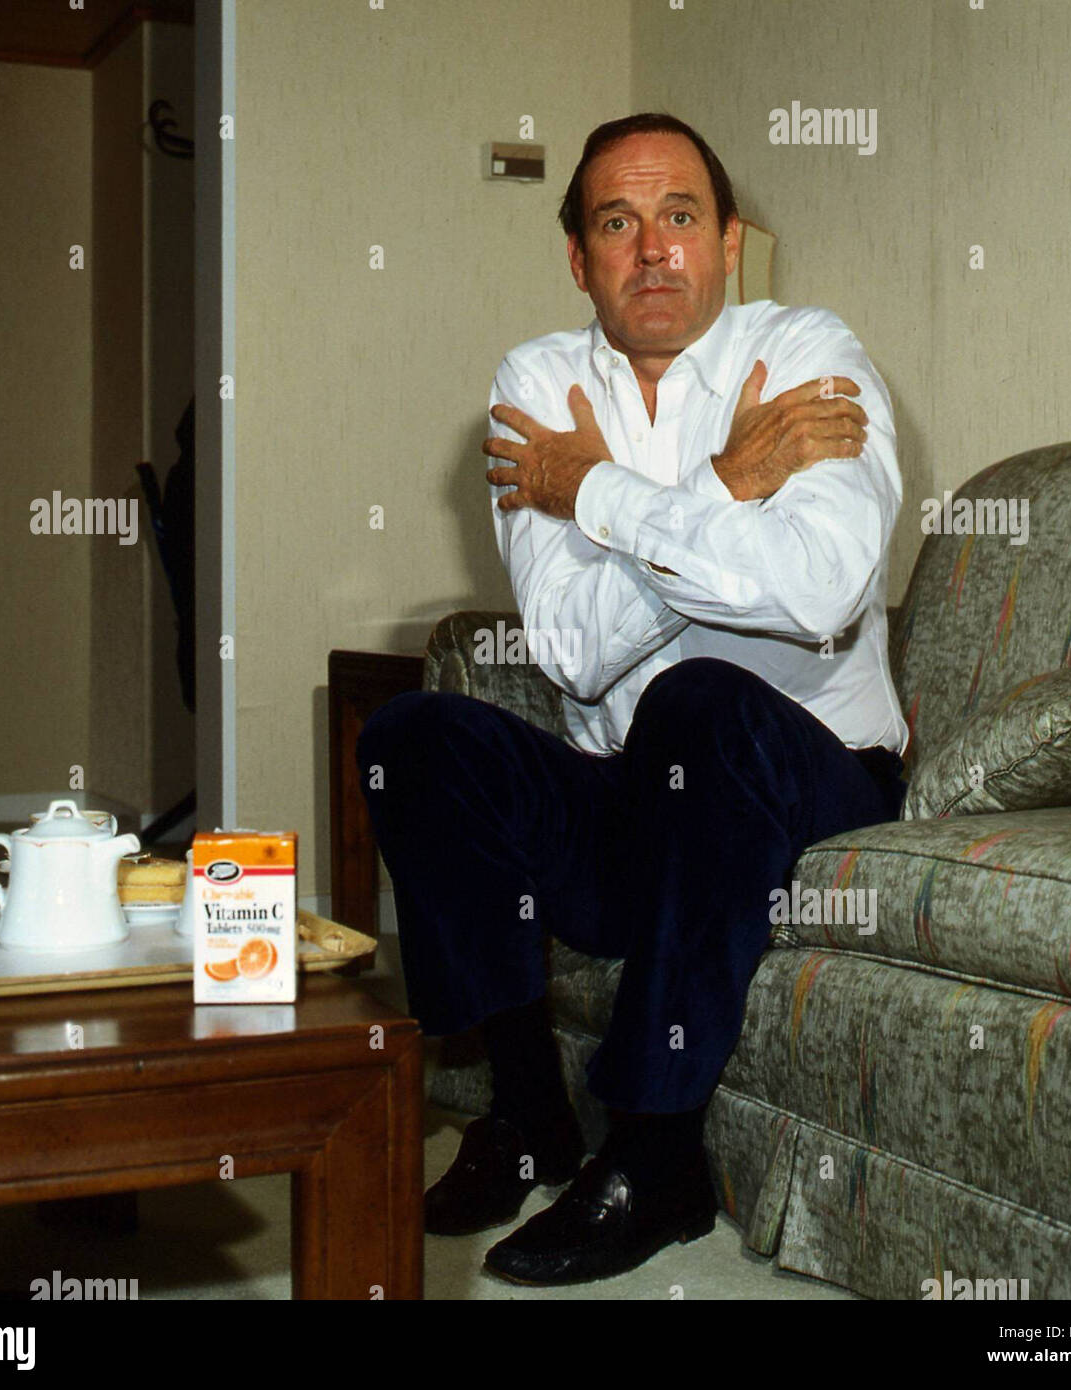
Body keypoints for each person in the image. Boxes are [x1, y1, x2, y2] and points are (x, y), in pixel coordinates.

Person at [356, 112, 909, 1288]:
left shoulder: (810, 354)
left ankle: (655, 1153)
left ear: (728, 238)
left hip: (805, 783)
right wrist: (727, 484)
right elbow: (569, 649)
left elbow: (815, 591)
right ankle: (521, 1119)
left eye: (679, 217)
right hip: (632, 806)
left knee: (700, 700)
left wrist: (597, 492)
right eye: (617, 222)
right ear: (577, 257)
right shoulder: (539, 384)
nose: (652, 249)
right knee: (412, 737)